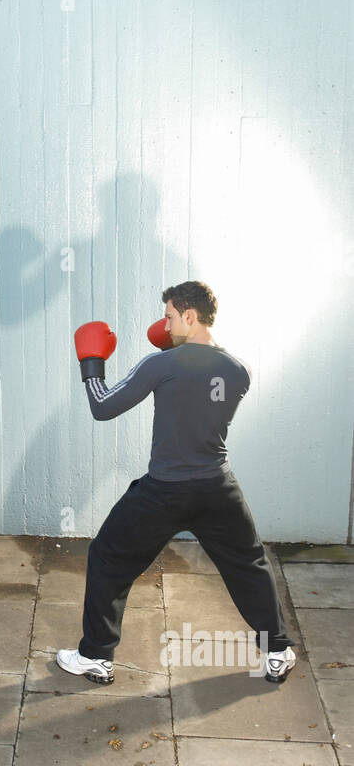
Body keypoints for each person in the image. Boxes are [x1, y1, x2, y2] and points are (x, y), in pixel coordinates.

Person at [58, 281, 295, 685]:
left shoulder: (160, 365)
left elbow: (102, 406)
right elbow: (198, 393)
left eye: (169, 316)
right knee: (249, 566)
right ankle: (278, 650)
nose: (163, 326)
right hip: (217, 488)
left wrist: (91, 361)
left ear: (189, 315)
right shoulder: (238, 371)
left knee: (108, 556)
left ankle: (96, 657)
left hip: (165, 491)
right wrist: (177, 350)